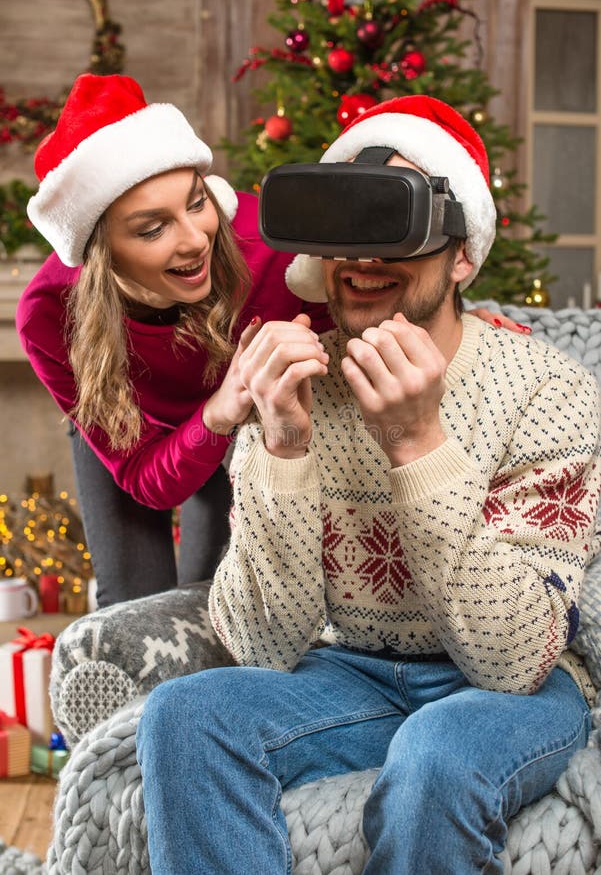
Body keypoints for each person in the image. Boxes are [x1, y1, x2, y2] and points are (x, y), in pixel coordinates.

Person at [137, 95, 601, 874]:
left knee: (437, 749)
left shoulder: (546, 390)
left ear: (460, 254)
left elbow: (516, 662)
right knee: (185, 714)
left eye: (397, 225)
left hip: (508, 694)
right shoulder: (293, 379)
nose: (366, 258)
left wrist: (417, 443)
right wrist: (283, 447)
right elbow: (256, 646)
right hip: (347, 673)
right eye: (349, 228)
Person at [17, 75, 512, 608]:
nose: (195, 239)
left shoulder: (273, 255)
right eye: (151, 229)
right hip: (139, 432)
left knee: (212, 599)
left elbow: (383, 297)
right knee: (133, 604)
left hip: (245, 425)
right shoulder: (51, 316)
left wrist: (460, 318)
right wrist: (216, 411)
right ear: (101, 251)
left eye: (197, 202)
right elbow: (147, 479)